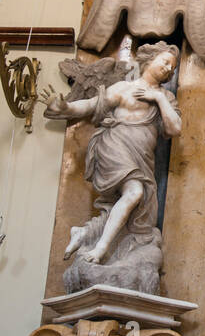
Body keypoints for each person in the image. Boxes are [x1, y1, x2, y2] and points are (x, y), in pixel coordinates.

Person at [40, 41, 181, 266]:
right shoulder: (123, 88)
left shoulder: (166, 97)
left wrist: (159, 98)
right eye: (165, 62)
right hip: (116, 146)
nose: (168, 69)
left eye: (172, 68)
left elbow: (174, 128)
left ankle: (85, 233)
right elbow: (90, 105)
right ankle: (100, 249)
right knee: (134, 193)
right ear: (149, 60)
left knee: (134, 205)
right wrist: (65, 108)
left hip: (142, 157)